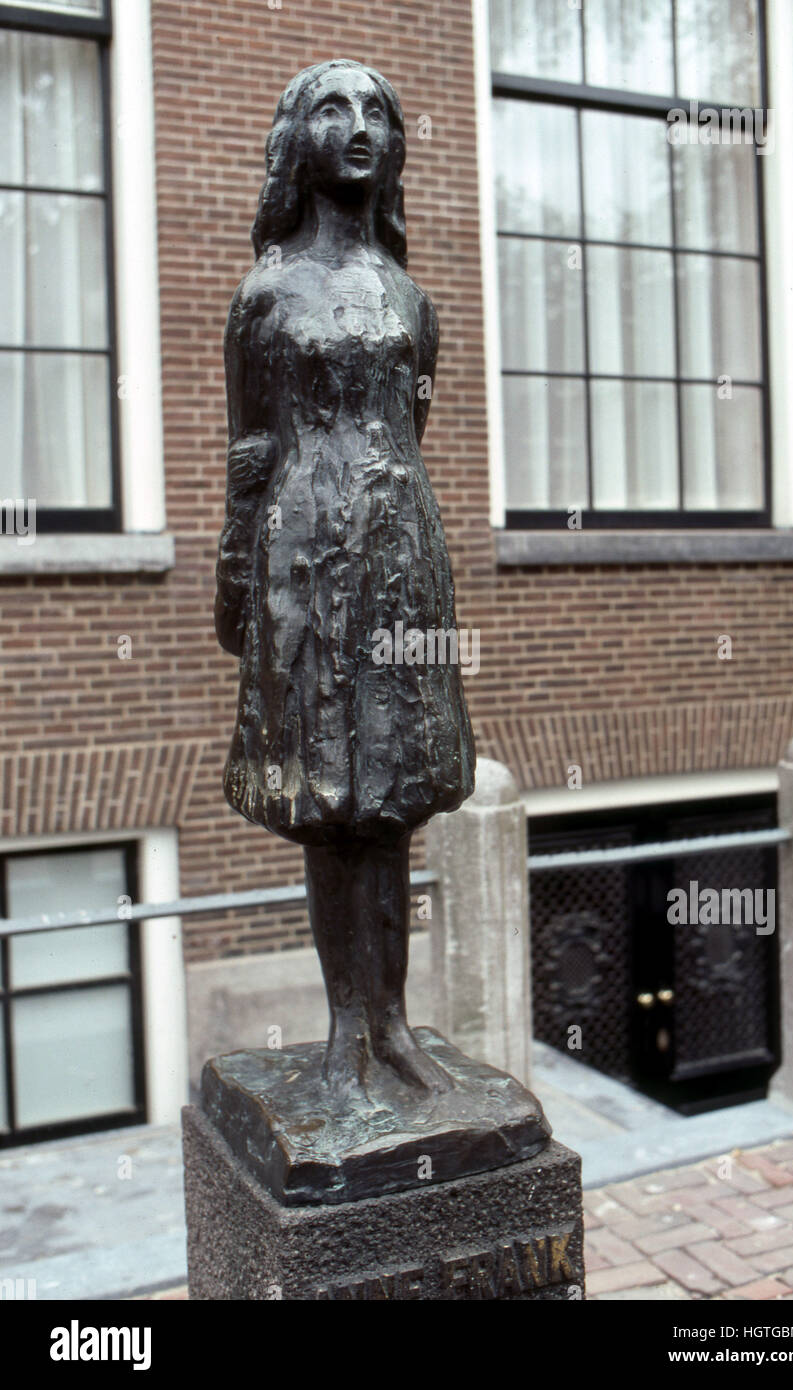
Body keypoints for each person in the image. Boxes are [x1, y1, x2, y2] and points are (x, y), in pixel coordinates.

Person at [214, 59, 475, 1099]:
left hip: (400, 559)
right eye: (333, 108)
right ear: (297, 139)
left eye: (375, 111)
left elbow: (403, 437)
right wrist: (239, 587)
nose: (358, 125)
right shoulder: (266, 294)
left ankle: (397, 1025)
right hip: (304, 562)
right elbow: (247, 456)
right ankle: (342, 1029)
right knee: (330, 799)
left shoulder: (413, 297)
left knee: (394, 792)